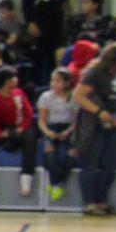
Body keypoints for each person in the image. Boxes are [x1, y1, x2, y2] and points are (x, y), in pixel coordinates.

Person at [73, 44, 116, 216]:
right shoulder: (94, 74)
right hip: (94, 124)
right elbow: (78, 96)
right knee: (90, 163)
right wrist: (98, 111)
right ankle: (89, 202)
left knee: (110, 165)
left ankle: (102, 200)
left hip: (114, 123)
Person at [0, 68, 38, 197]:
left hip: (20, 128)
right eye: (13, 78)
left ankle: (26, 176)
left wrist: (21, 128)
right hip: (4, 130)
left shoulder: (19, 94)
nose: (16, 80)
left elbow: (28, 114)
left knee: (30, 137)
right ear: (6, 81)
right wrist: (0, 134)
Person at [37, 68, 78, 200]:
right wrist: (49, 133)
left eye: (58, 81)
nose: (54, 84)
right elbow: (42, 121)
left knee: (71, 153)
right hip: (51, 126)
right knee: (49, 150)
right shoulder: (45, 97)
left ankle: (57, 183)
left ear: (66, 83)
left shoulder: (74, 97)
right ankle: (57, 184)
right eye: (52, 80)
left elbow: (76, 120)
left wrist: (68, 131)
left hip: (68, 127)